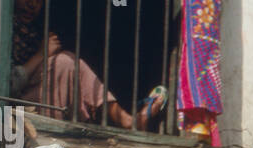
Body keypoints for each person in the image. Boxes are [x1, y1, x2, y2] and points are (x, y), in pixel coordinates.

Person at [10, 0, 166, 131]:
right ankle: (127, 122)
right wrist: (41, 55)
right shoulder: (2, 30)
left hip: (39, 105)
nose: (32, 5)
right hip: (13, 110)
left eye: (38, 0)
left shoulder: (35, 32)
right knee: (64, 62)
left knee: (67, 62)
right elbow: (10, 85)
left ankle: (127, 121)